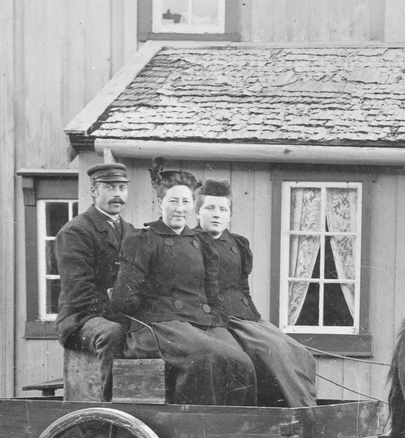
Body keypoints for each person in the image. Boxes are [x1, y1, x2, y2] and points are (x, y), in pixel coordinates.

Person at [110, 161, 256, 406]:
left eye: (186, 202)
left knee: (241, 361)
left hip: (199, 322)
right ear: (160, 203)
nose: (180, 209)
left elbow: (213, 295)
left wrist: (215, 321)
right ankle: (195, 423)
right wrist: (153, 309)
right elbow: (122, 299)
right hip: (157, 325)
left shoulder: (202, 243)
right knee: (205, 355)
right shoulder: (142, 240)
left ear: (192, 205)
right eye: (173, 201)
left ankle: (237, 425)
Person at [194, 178, 318, 407]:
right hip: (218, 318)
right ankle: (292, 409)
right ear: (197, 212)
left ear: (230, 215)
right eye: (209, 208)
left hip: (245, 315)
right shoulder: (191, 242)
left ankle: (308, 406)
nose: (216, 214)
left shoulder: (238, 244)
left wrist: (257, 321)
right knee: (270, 351)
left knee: (298, 351)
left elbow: (243, 287)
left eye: (223, 209)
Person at [54, 163, 132, 400]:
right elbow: (80, 292)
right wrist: (121, 314)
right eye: (109, 187)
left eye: (121, 188)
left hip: (116, 313)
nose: (117, 194)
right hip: (81, 319)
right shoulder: (76, 231)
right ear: (94, 191)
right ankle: (112, 406)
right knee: (113, 333)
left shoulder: (131, 231)